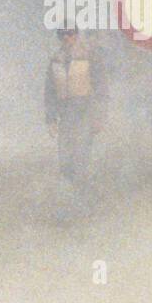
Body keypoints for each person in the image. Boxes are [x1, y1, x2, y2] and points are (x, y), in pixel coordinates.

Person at [44, 23, 107, 186]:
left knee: (81, 157)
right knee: (65, 161)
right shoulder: (55, 60)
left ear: (76, 35)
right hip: (65, 115)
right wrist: (51, 119)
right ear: (59, 37)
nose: (67, 37)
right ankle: (72, 192)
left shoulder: (89, 56)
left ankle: (83, 197)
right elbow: (49, 93)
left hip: (85, 111)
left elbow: (101, 89)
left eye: (70, 33)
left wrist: (99, 116)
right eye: (63, 34)